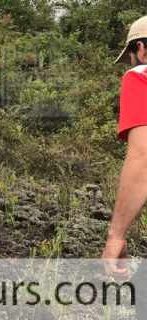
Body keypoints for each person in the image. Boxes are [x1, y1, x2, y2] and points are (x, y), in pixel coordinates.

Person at [101, 15, 147, 319]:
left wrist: (116, 234)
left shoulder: (139, 77)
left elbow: (142, 156)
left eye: (131, 57)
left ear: (141, 49)